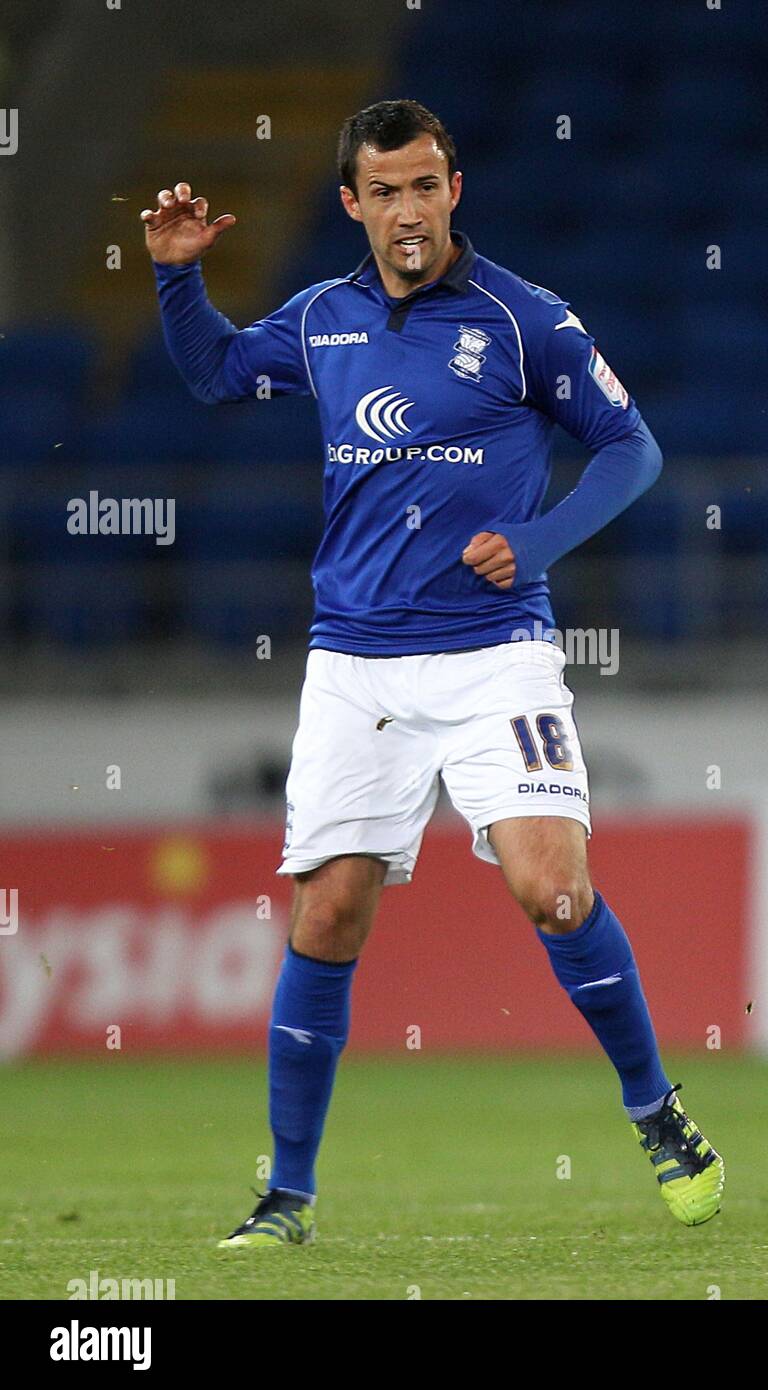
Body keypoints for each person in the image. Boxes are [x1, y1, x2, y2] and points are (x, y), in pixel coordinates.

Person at [143, 98, 723, 1247]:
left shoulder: (523, 320)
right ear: (350, 203)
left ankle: (654, 1110)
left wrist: (540, 543)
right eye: (384, 191)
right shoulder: (323, 320)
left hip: (493, 652)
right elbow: (214, 375)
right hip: (355, 665)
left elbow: (632, 447)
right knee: (327, 912)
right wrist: (174, 278)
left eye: (426, 185)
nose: (407, 211)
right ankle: (287, 1197)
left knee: (550, 887)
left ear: (454, 189)